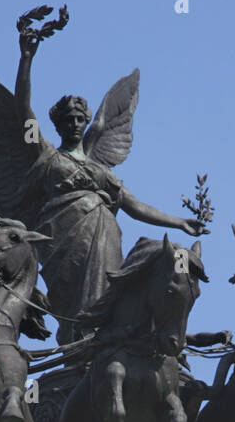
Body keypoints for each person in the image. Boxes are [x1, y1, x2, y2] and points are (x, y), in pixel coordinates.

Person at [14, 23, 205, 344]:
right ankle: (76, 343)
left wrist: (179, 222)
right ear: (58, 126)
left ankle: (123, 337)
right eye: (69, 120)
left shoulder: (99, 170)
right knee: (73, 303)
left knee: (110, 289)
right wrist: (26, 60)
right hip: (63, 240)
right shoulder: (45, 156)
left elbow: (134, 206)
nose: (76, 124)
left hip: (105, 237)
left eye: (80, 119)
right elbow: (22, 111)